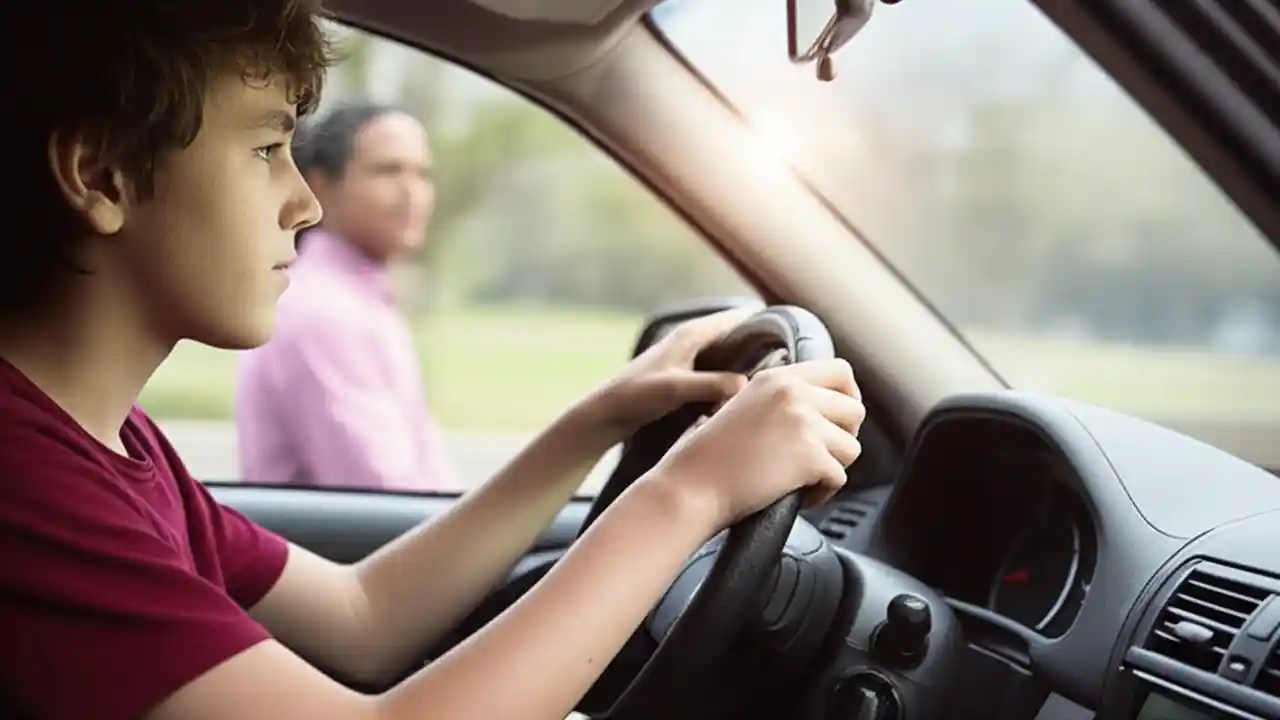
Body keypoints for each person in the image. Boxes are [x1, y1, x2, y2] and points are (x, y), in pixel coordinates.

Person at [0, 1, 866, 719]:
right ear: (104, 176)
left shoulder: (117, 447)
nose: (304, 202)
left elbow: (364, 616)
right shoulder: (22, 476)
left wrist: (606, 415)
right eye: (266, 150)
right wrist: (693, 490)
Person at [235, 99, 460, 492]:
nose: (413, 193)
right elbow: (387, 495)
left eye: (423, 174)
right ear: (321, 186)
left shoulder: (355, 300)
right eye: (388, 171)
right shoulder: (325, 313)